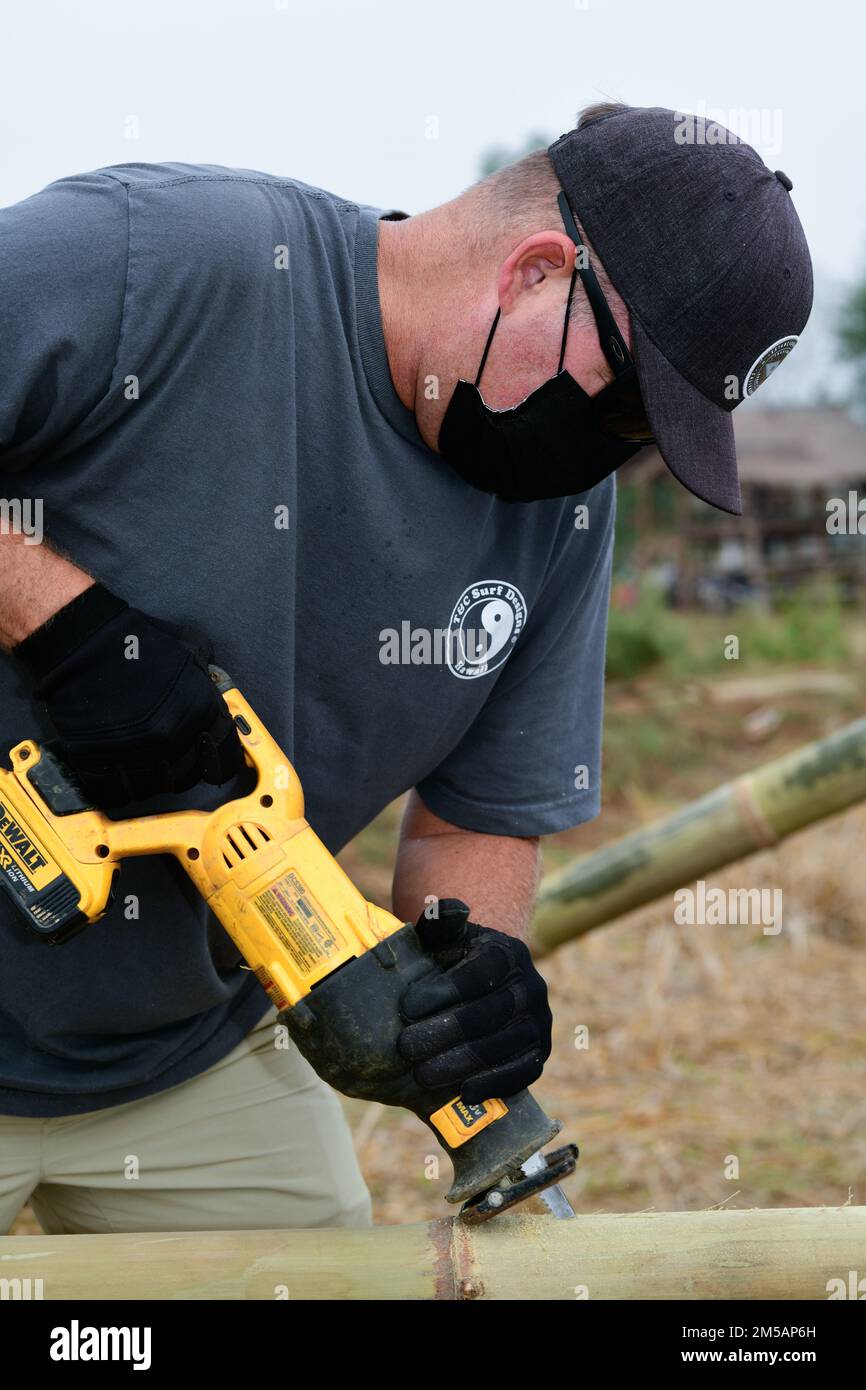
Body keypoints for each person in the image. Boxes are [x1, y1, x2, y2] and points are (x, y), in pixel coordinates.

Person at [0, 102, 812, 1234]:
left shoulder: (560, 514)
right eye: (629, 404)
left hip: (183, 1055)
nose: (621, 456)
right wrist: (57, 619)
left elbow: (471, 819)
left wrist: (473, 969)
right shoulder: (159, 260)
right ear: (536, 271)